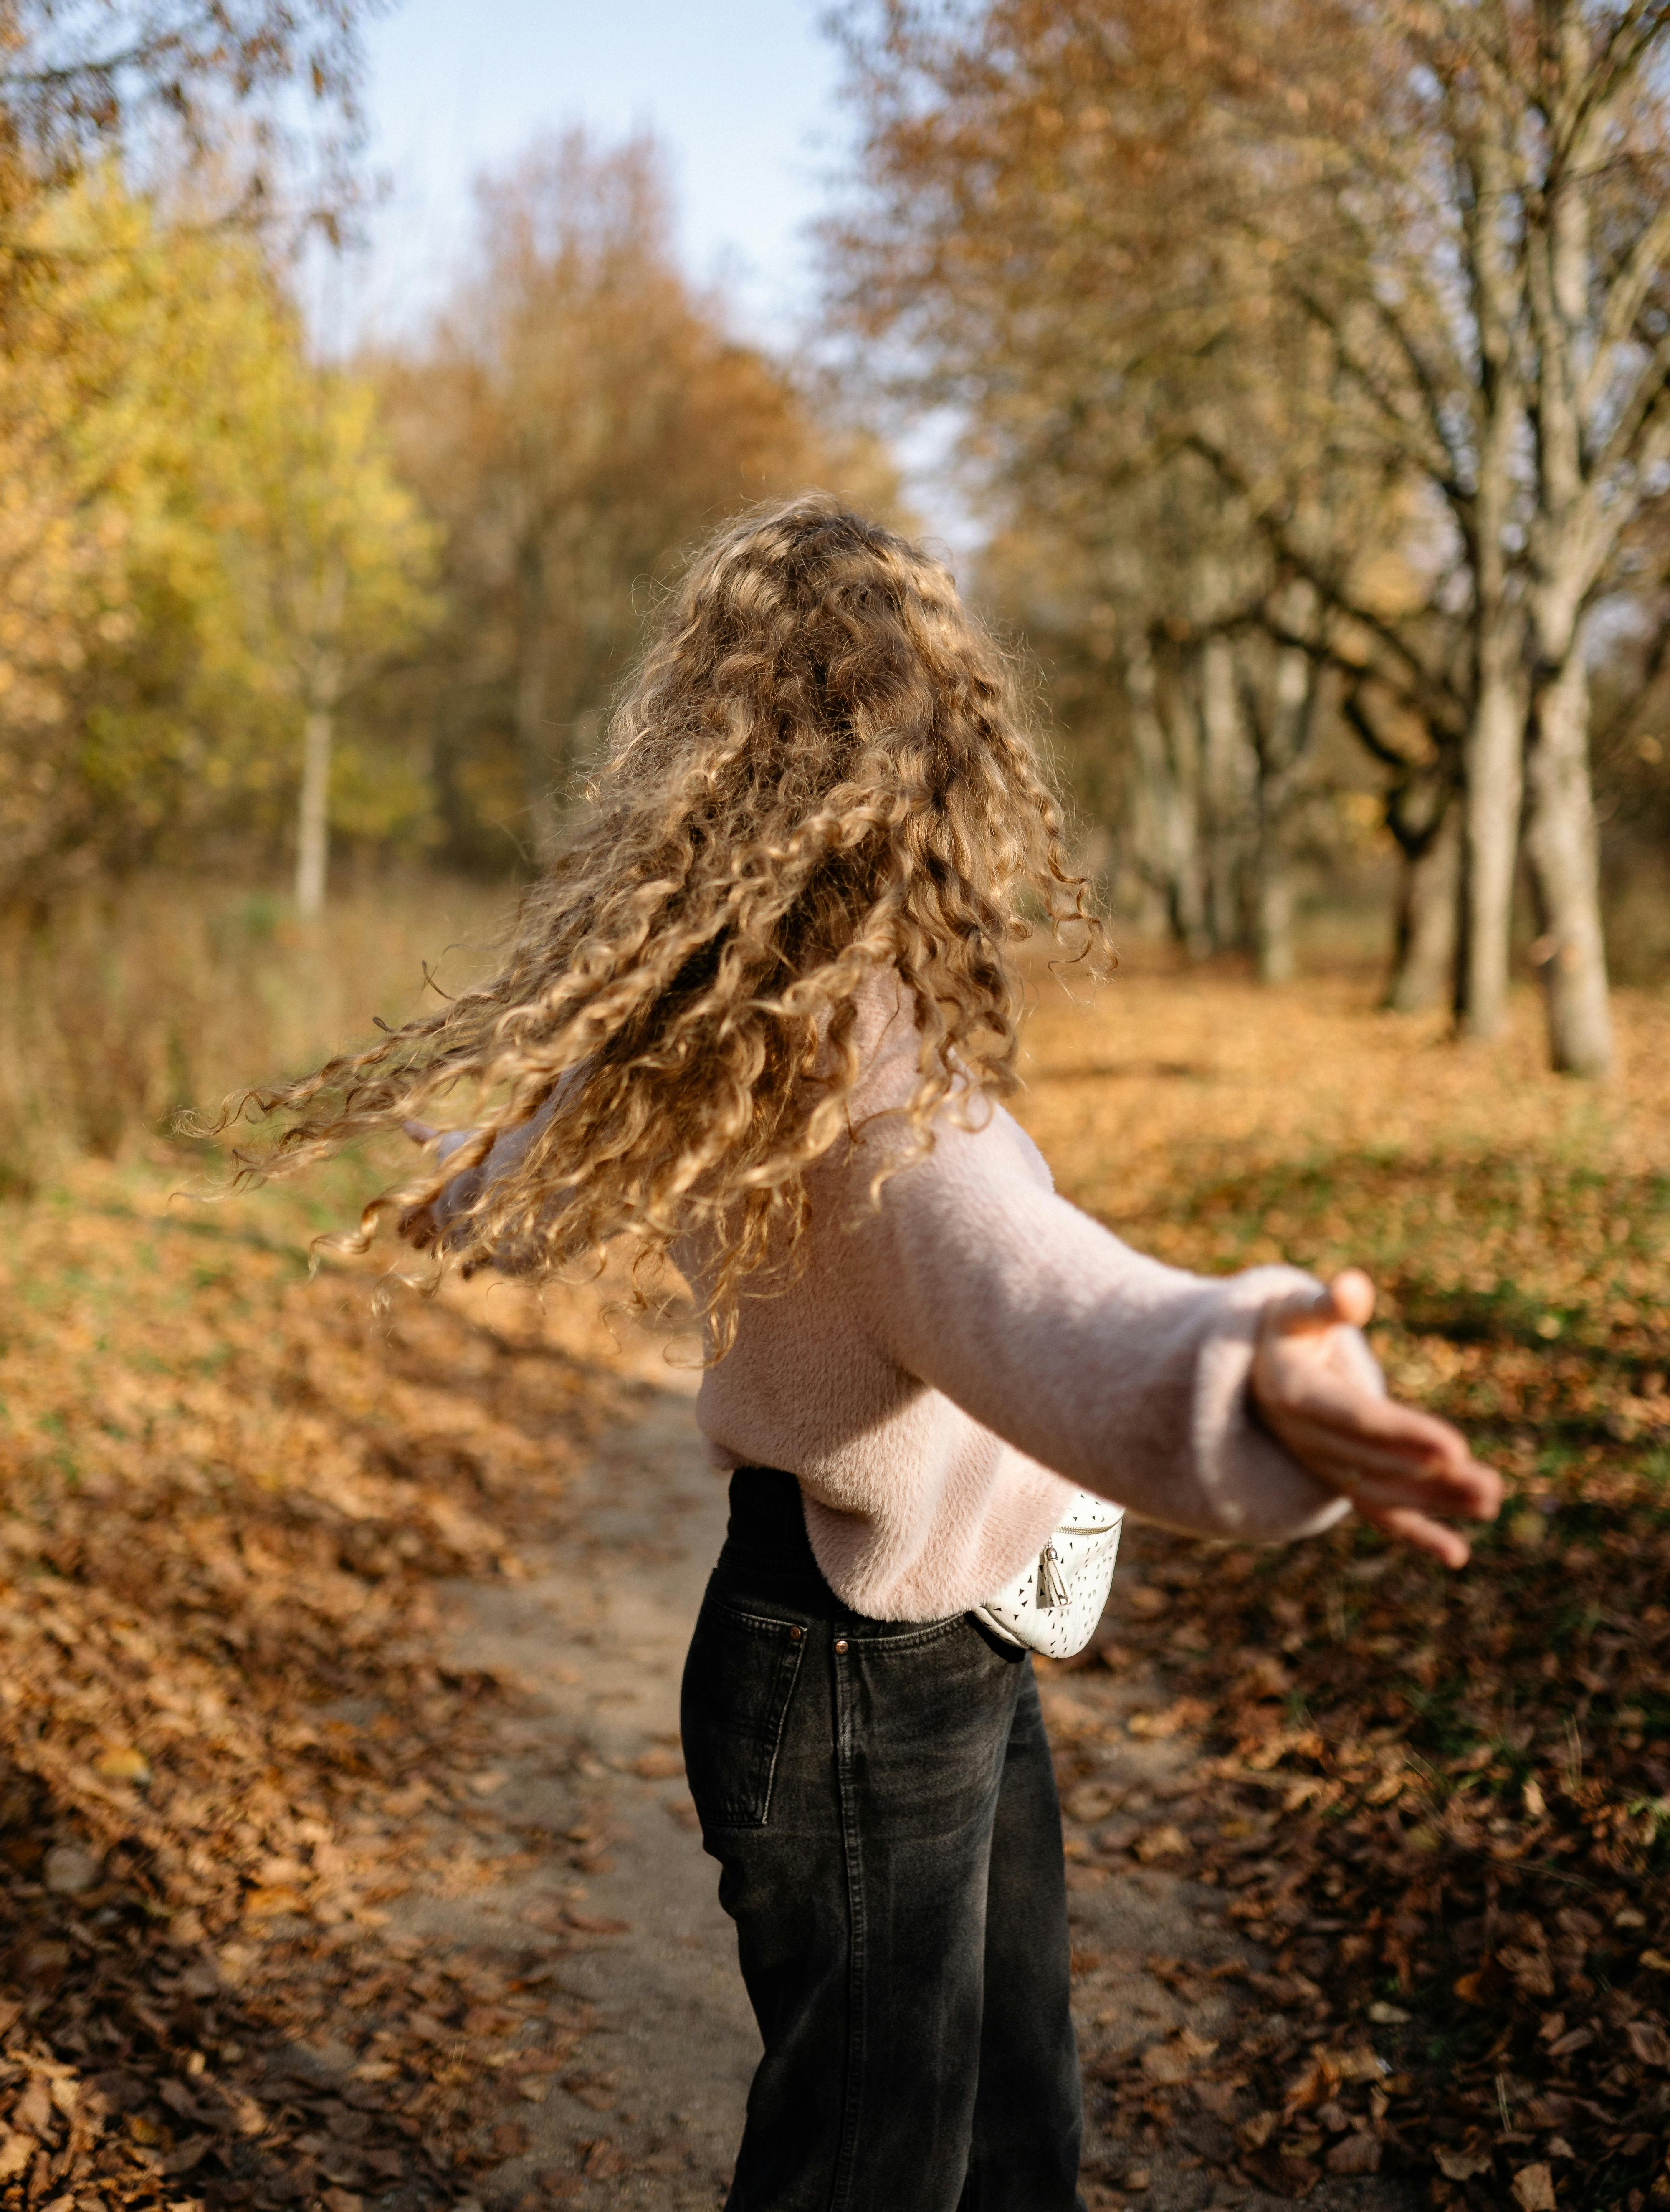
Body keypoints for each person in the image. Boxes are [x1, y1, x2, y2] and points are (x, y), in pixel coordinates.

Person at [249, 499, 1502, 2212]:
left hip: (915, 1645)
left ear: (711, 752)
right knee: (877, 2165)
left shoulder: (741, 1006)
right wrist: (1240, 1362)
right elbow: (1030, 1282)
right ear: (940, 751)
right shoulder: (865, 1053)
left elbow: (534, 1167)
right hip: (853, 1675)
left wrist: (449, 1187)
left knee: (1005, 2133)